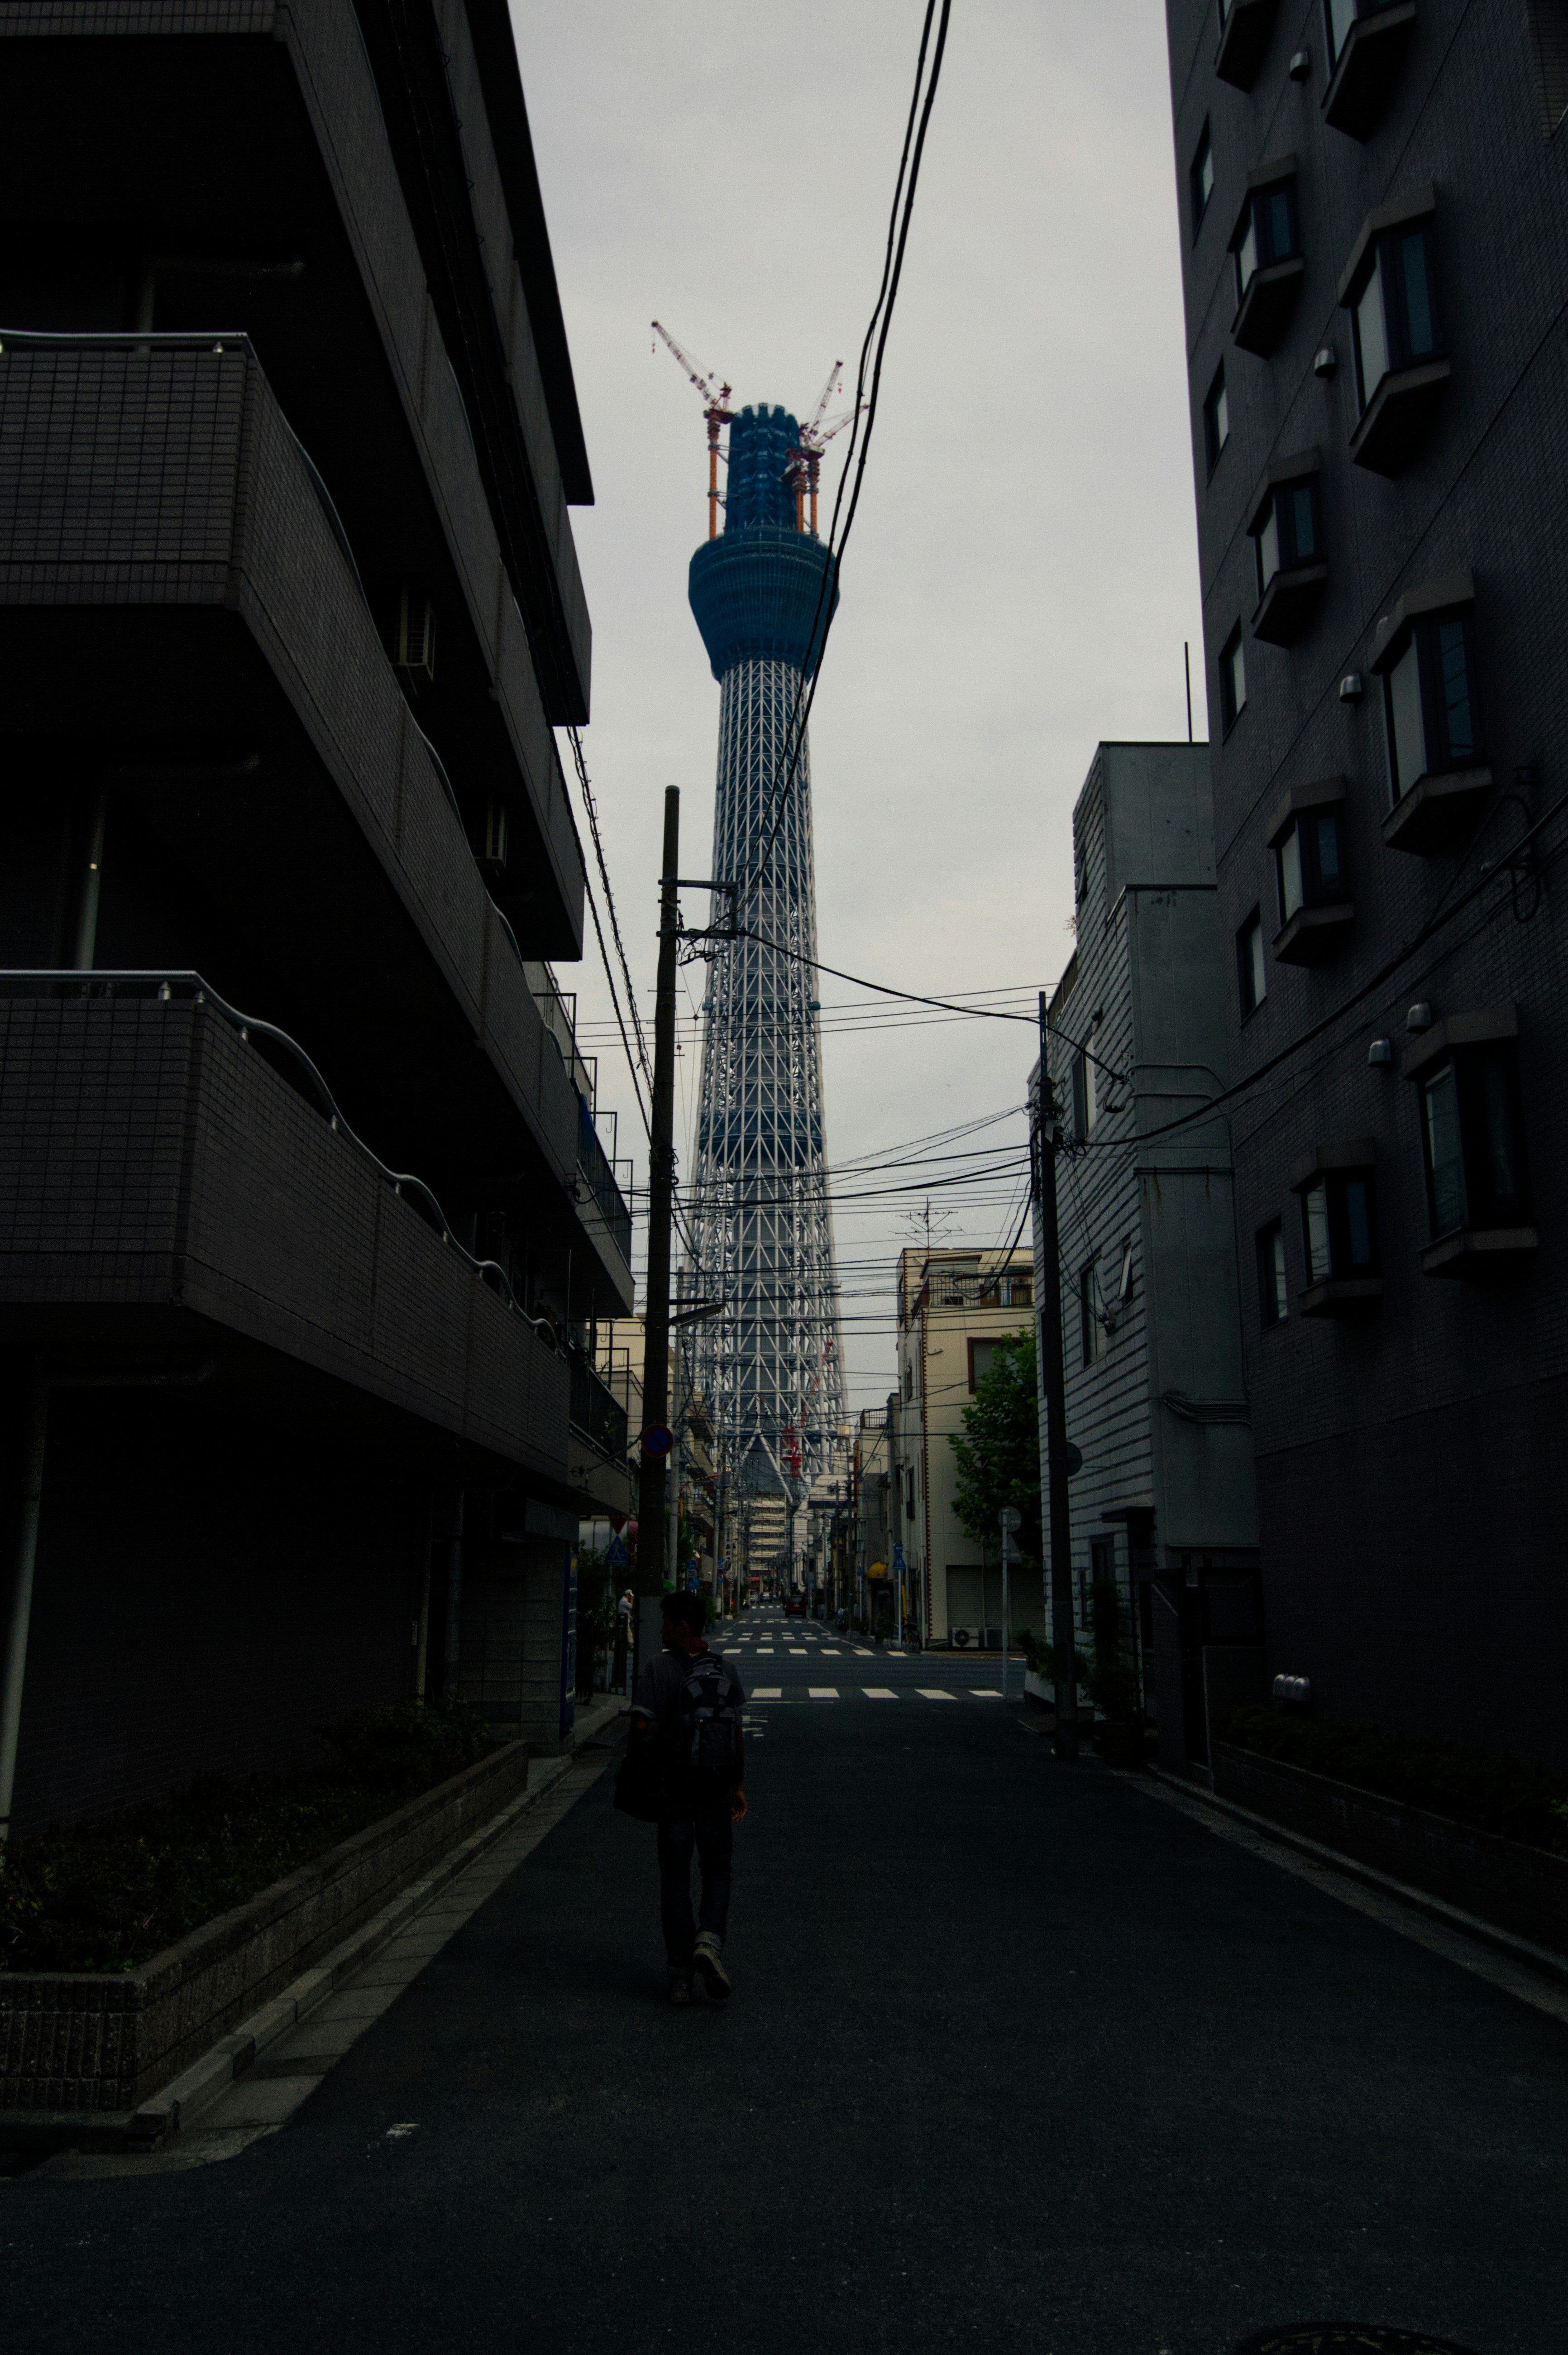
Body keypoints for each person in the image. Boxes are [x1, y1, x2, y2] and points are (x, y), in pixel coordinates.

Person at [628, 1590, 747, 2006]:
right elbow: (734, 1732)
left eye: (665, 1624)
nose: (660, 1631)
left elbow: (641, 1728)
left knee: (676, 1878)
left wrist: (638, 1773)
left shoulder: (659, 1669)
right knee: (718, 1868)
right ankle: (709, 1943)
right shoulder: (727, 1671)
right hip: (716, 1790)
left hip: (674, 1792)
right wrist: (738, 1786)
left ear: (681, 1628)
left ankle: (679, 1976)